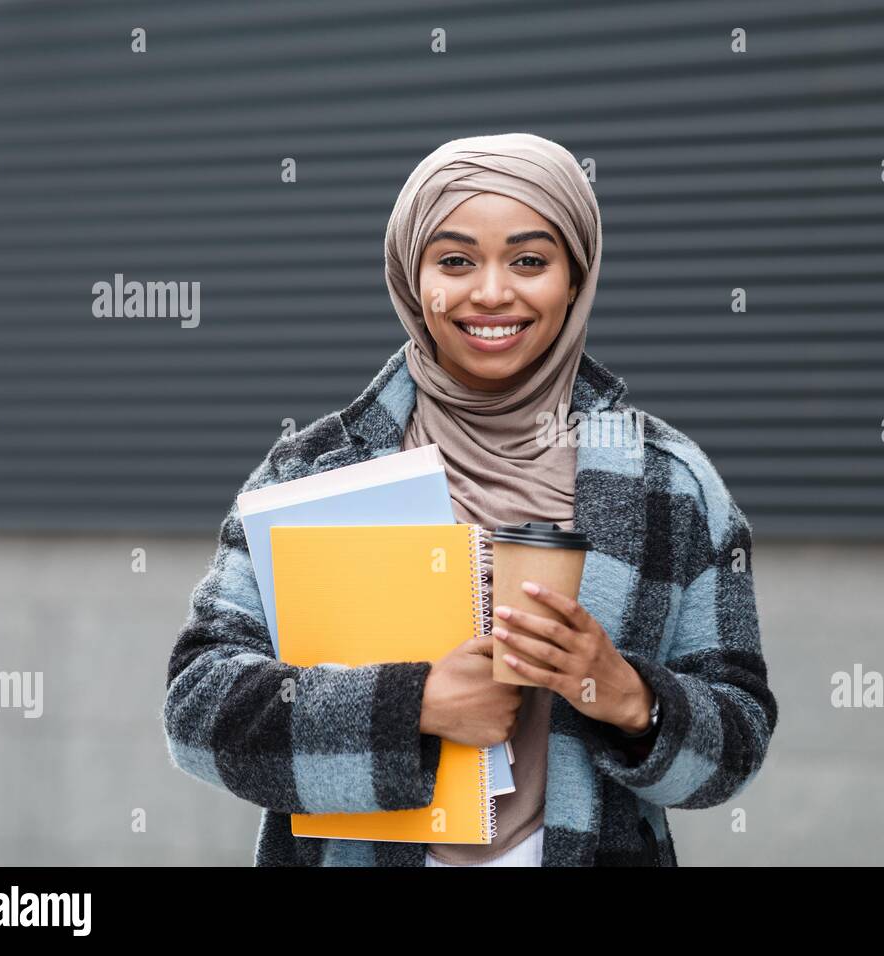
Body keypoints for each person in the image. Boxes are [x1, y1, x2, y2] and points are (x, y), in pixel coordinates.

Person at [162, 132, 777, 867]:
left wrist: (628, 697)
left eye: (529, 260)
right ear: (410, 278)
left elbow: (736, 744)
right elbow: (198, 712)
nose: (491, 292)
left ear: (576, 278)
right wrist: (411, 705)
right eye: (455, 260)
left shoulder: (667, 485)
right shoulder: (313, 473)